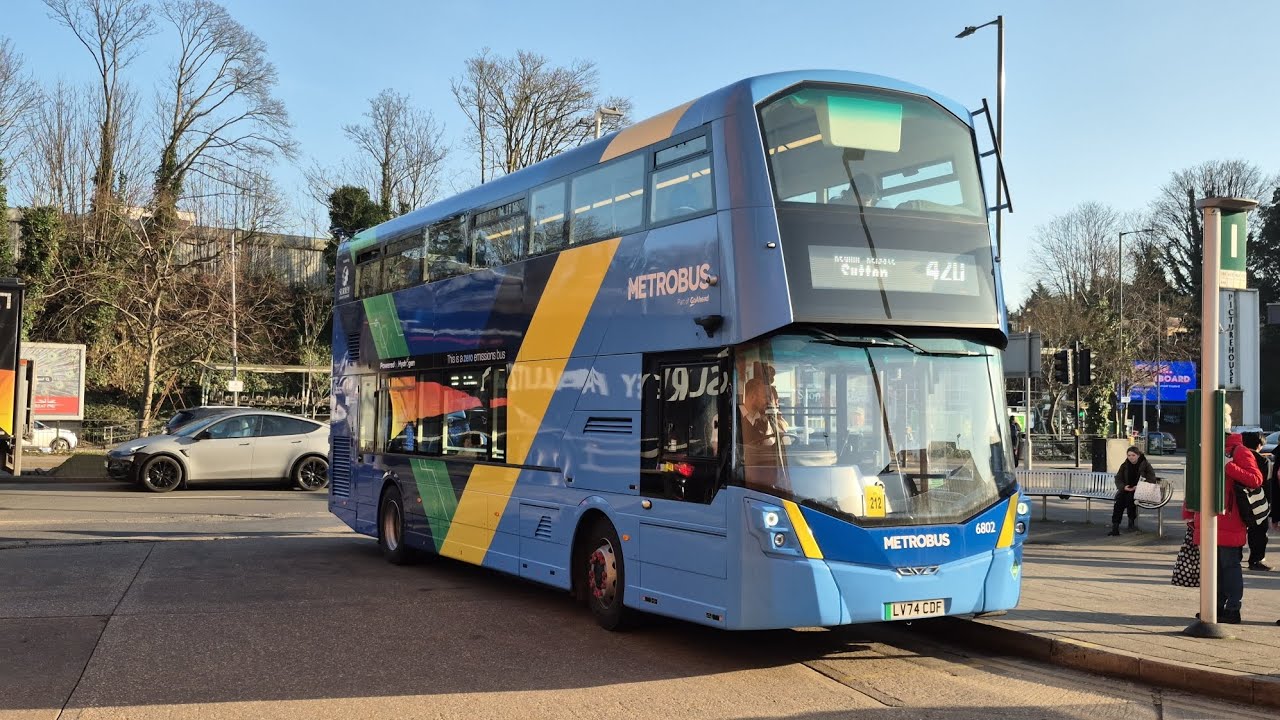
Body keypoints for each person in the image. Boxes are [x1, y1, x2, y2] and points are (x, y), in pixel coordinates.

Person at [1191, 431, 1263, 624]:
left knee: (1229, 566)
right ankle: (1214, 607)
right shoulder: (1203, 449)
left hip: (1229, 519)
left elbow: (1255, 479)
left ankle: (1232, 609)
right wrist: (1189, 513)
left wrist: (1228, 466)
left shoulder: (1239, 451)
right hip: (1208, 518)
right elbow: (1195, 482)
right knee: (1212, 569)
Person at [1108, 446, 1158, 536]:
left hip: (1140, 489)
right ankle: (1115, 526)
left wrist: (1138, 486)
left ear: (1138, 455)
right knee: (1119, 500)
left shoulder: (1145, 465)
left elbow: (1152, 479)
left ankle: (1131, 522)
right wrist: (1123, 487)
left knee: (1130, 498)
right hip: (1127, 488)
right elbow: (1118, 478)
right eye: (1129, 455)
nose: (1131, 457)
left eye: (1133, 455)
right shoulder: (1125, 465)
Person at [1242, 431, 1270, 570]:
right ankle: (1256, 560)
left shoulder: (1237, 457)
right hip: (1257, 501)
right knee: (1259, 531)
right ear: (1259, 445)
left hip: (1239, 499)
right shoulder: (1263, 460)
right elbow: (1265, 483)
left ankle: (1236, 557)